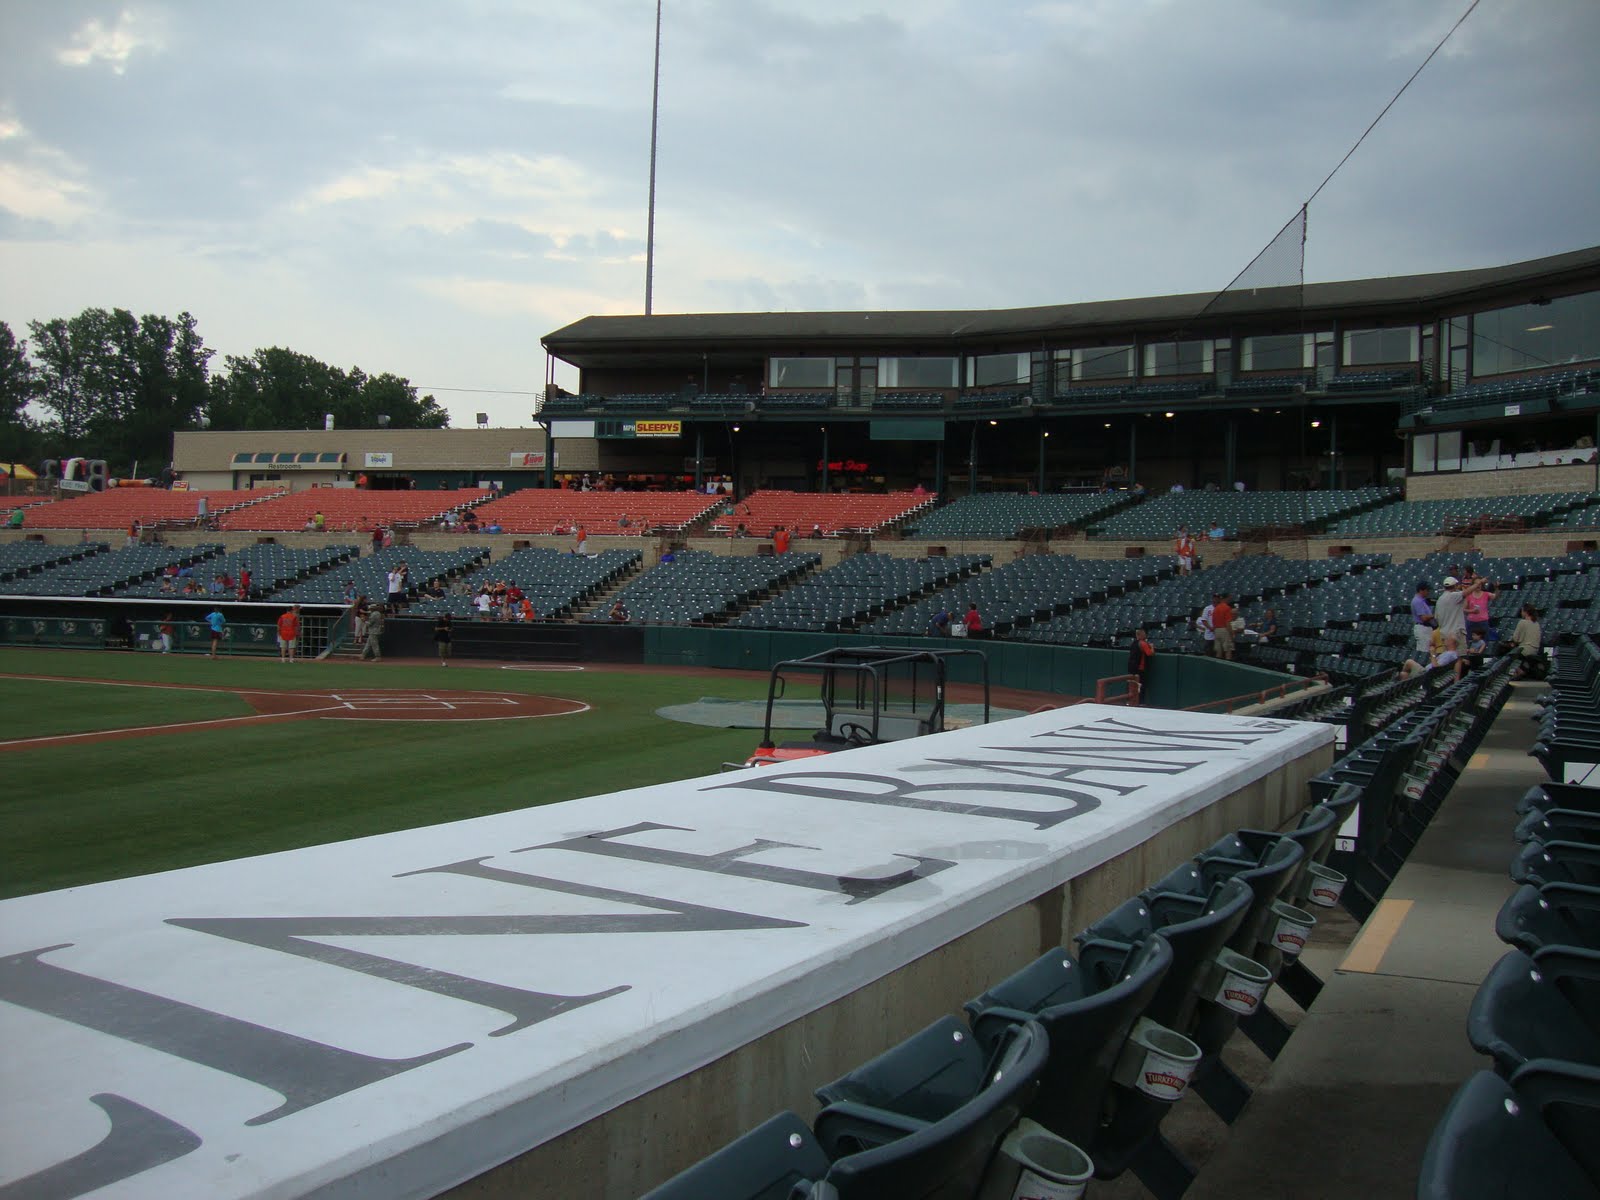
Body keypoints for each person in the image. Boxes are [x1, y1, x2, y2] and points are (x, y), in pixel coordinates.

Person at [1507, 603, 1544, 679]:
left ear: (1525, 612)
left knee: (1509, 657)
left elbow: (1516, 638)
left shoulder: (1522, 622)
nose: (1521, 613)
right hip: (1535, 650)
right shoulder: (1536, 623)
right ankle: (1520, 671)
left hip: (1525, 650)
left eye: (1522, 611)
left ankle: (1510, 675)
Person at [1434, 575, 1471, 643]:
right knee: (1460, 653)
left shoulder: (1440, 600)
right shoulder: (1454, 596)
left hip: (1444, 634)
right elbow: (1466, 593)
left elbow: (1436, 618)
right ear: (1454, 586)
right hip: (1456, 633)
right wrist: (1479, 583)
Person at [1127, 627, 1154, 704]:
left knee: (1131, 684)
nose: (1145, 635)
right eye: (1144, 633)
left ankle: (1129, 701)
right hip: (1140, 668)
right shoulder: (1142, 643)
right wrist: (1152, 647)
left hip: (1131, 667)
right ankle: (1140, 702)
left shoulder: (1133, 643)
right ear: (1141, 634)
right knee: (1140, 685)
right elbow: (1150, 653)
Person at [1464, 575, 1495, 639]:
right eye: (1477, 584)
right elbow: (1463, 609)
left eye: (1480, 583)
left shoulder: (1486, 594)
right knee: (1469, 640)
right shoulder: (1469, 596)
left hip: (1483, 622)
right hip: (1471, 622)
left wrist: (1497, 588)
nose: (1478, 585)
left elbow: (1495, 596)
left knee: (1485, 640)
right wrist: (1472, 611)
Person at [1410, 582, 1436, 657]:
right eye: (1427, 590)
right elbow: (1423, 618)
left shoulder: (1421, 600)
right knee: (1424, 651)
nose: (1428, 592)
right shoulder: (1417, 601)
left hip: (1425, 628)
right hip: (1422, 628)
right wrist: (1434, 615)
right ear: (1421, 590)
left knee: (1424, 650)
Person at [1211, 592, 1236, 660]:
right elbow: (1227, 623)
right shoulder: (1227, 608)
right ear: (1226, 598)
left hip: (1216, 630)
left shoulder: (1216, 608)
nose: (1230, 599)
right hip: (1224, 630)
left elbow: (1213, 621)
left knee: (1218, 652)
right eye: (1229, 598)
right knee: (1228, 650)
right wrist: (1231, 634)